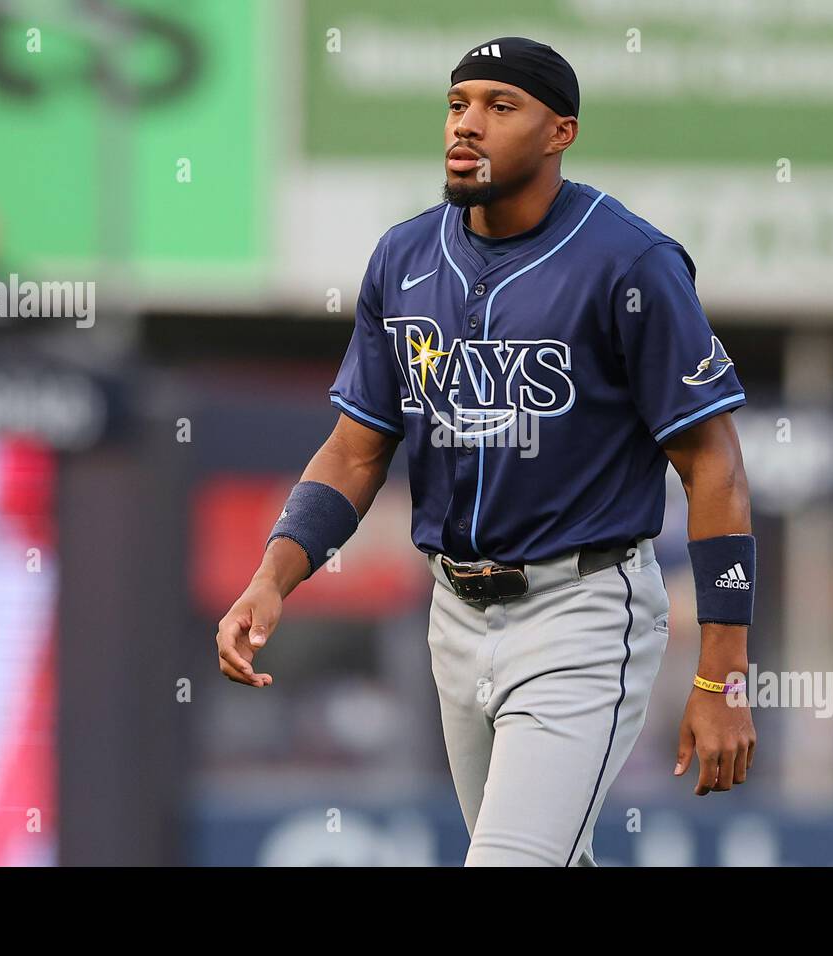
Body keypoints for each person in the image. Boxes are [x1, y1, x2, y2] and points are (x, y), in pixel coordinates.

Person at [216, 36, 756, 866]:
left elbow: (712, 462)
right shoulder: (402, 257)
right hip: (455, 614)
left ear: (559, 132)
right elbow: (356, 452)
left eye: (500, 107)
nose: (467, 125)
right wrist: (272, 576)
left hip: (580, 610)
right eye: (458, 103)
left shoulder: (629, 261)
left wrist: (722, 677)